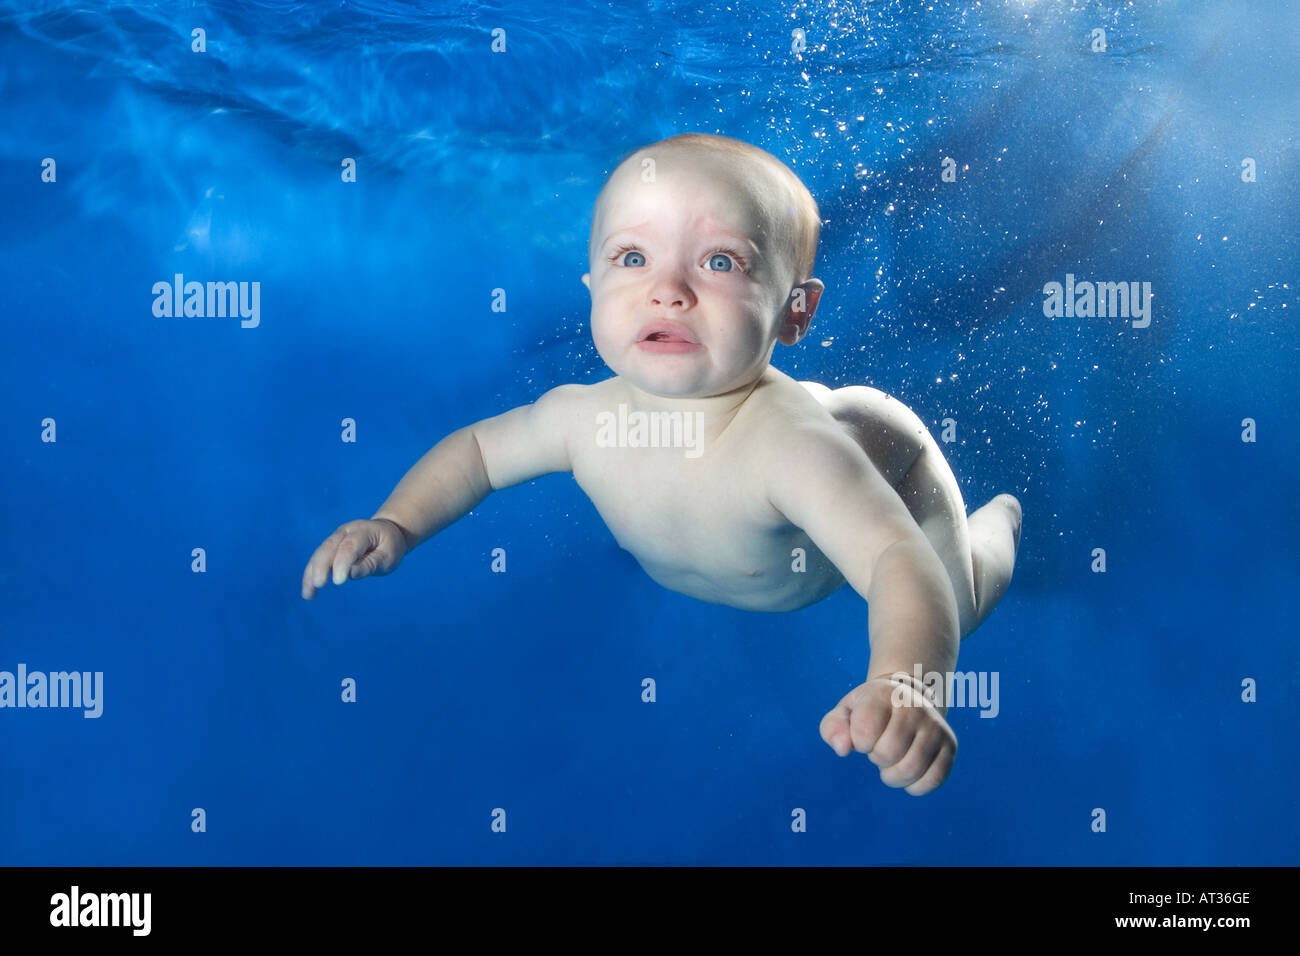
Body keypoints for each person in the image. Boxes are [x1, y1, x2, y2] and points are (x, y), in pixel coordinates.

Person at [301, 133, 1022, 795]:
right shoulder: (582, 418)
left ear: (793, 314)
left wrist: (905, 683)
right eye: (632, 258)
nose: (668, 290)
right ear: (592, 290)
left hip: (889, 452)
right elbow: (480, 453)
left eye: (720, 262)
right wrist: (396, 522)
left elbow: (898, 557)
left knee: (953, 610)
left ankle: (999, 529)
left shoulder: (791, 450)